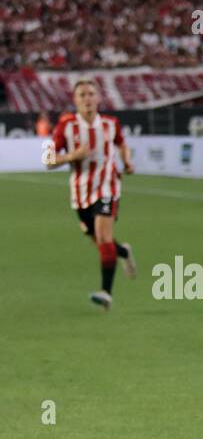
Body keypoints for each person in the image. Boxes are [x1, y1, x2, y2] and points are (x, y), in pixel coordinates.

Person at [47, 80, 136, 312]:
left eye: (91, 94)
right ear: (75, 100)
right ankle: (124, 252)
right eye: (82, 94)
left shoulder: (110, 124)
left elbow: (122, 145)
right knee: (98, 240)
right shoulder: (65, 125)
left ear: (99, 99)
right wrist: (71, 156)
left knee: (103, 236)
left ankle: (106, 293)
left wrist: (127, 160)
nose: (87, 98)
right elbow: (48, 159)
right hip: (80, 192)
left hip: (108, 187)